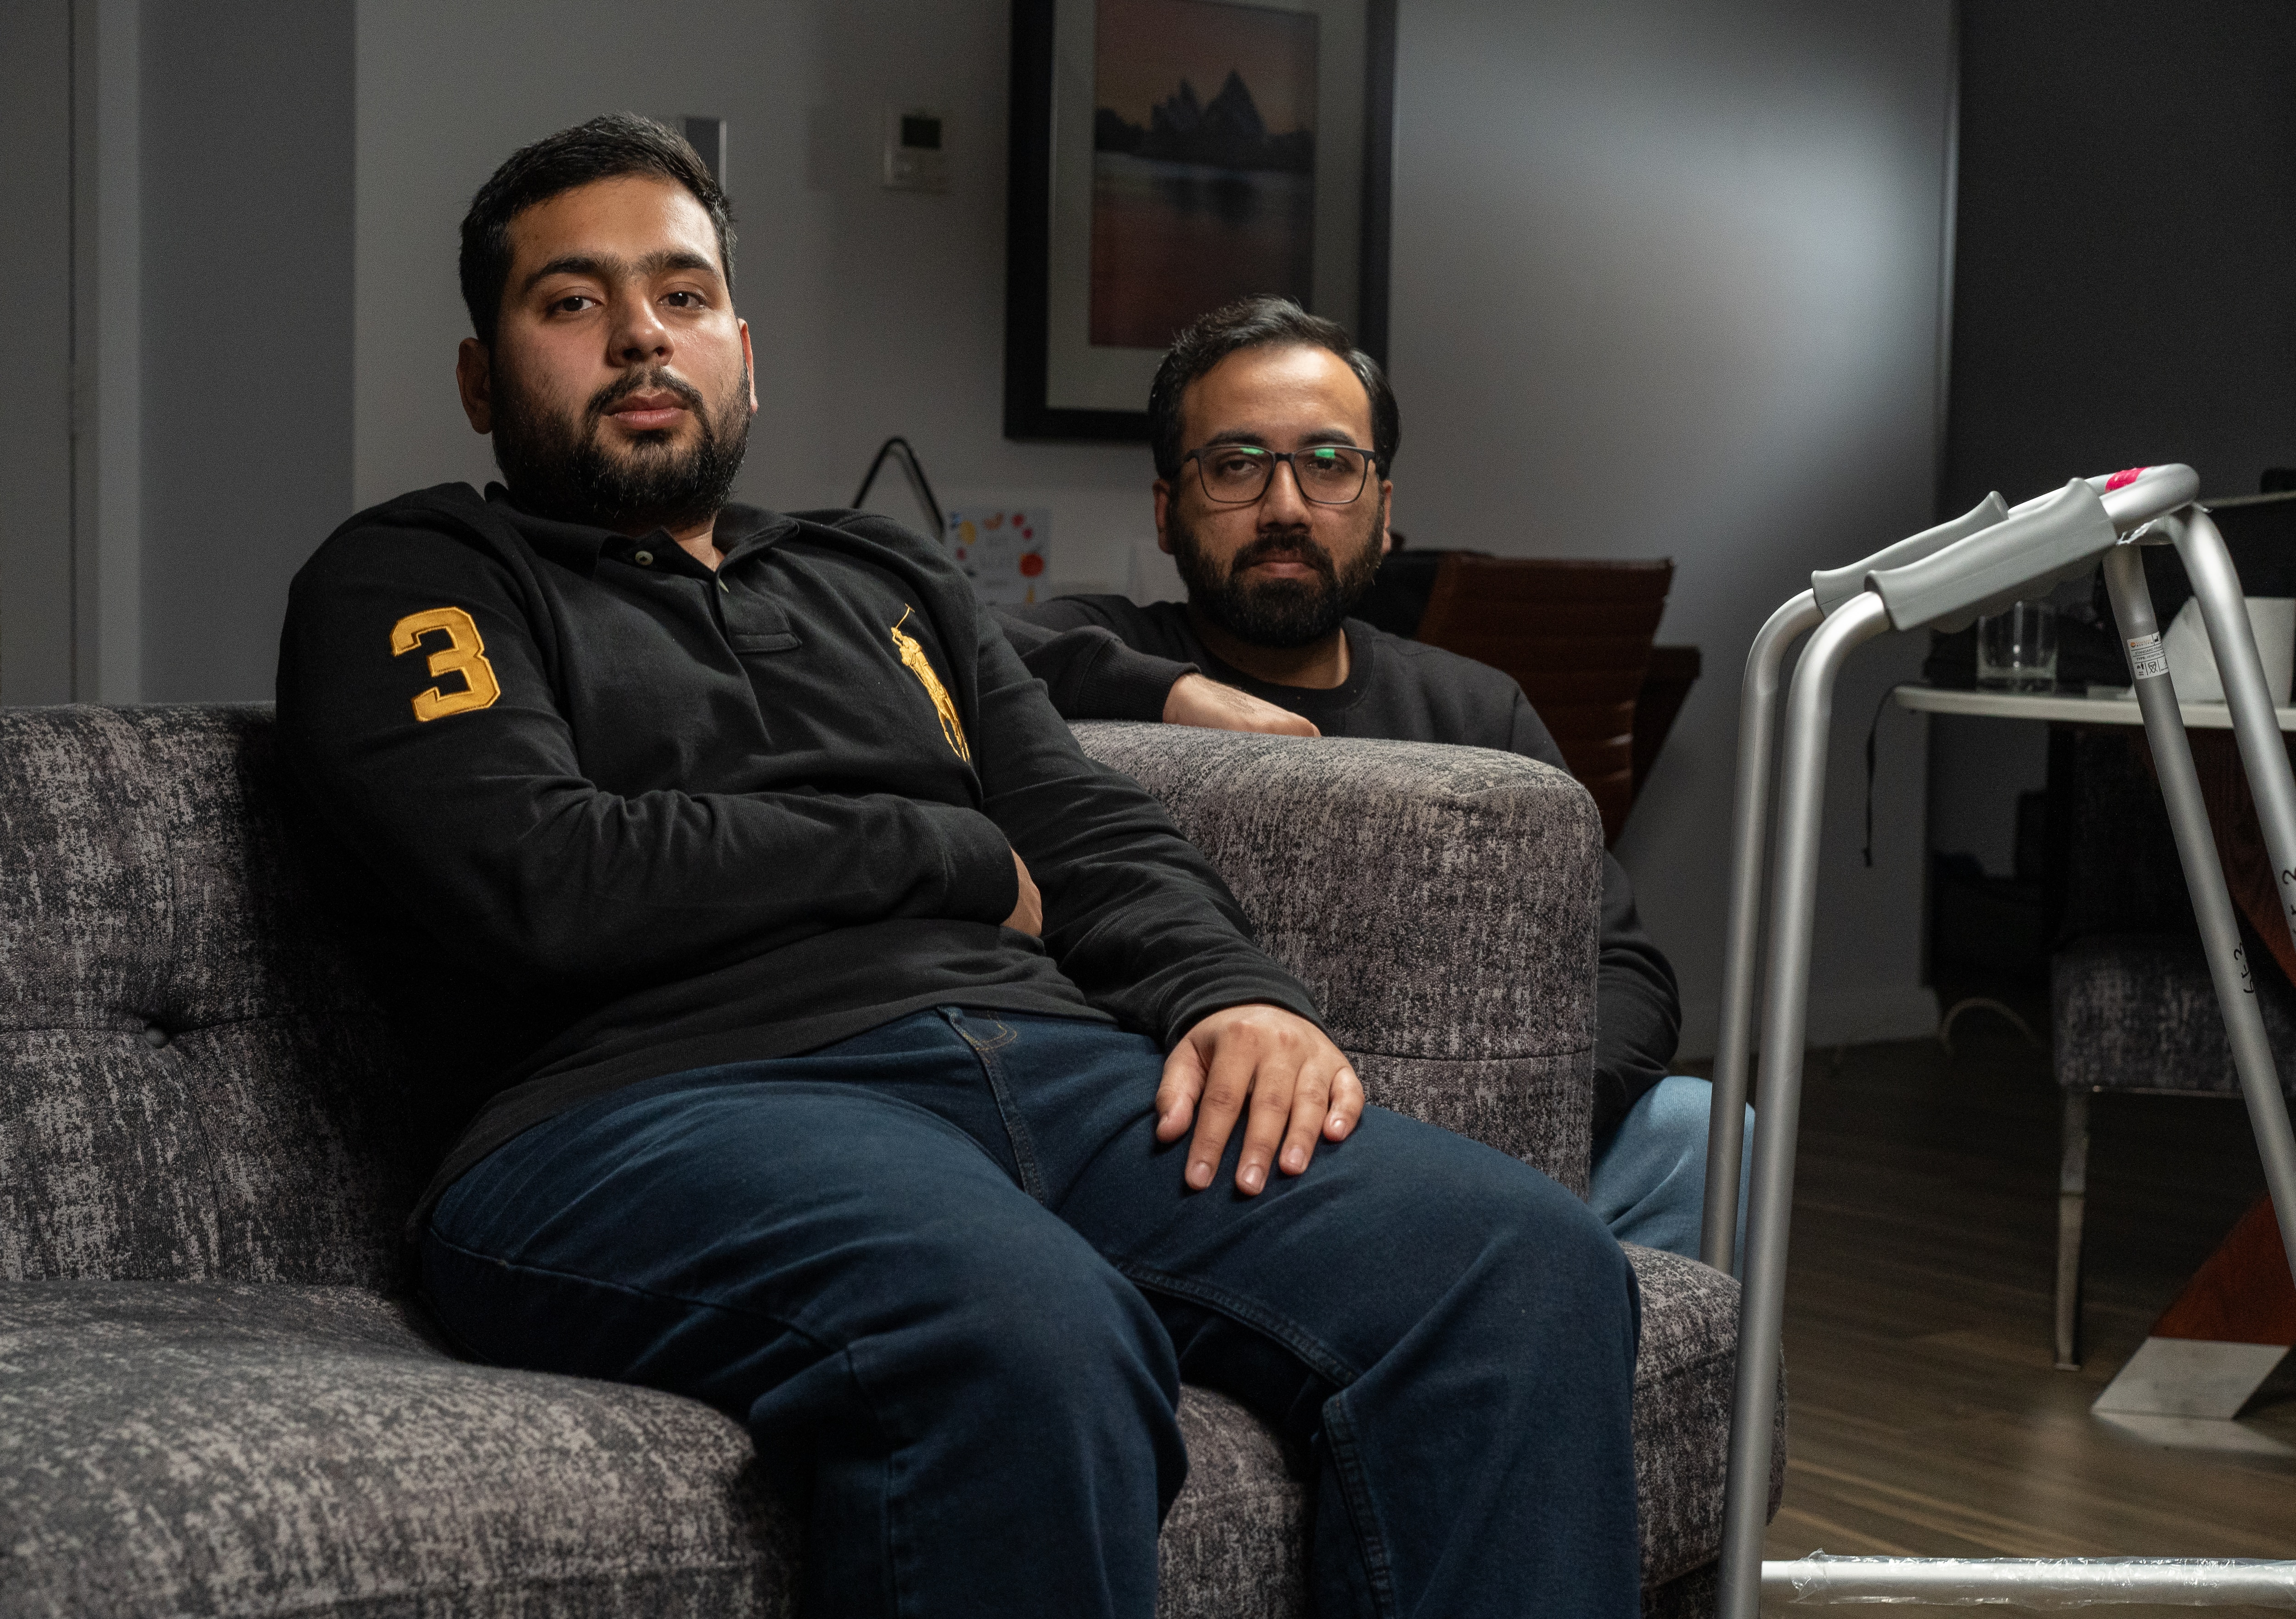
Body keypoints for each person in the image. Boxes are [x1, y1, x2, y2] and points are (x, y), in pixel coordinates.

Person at [274, 115, 1640, 1619]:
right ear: (483, 376)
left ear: (744, 345)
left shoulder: (882, 575)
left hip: (1044, 1066)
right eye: (571, 302)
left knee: (1522, 1266)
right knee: (1027, 1327)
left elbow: (1085, 829)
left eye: (680, 294)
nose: (639, 338)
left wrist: (1236, 993)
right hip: (647, 1108)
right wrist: (946, 853)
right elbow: (538, 874)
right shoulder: (418, 575)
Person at [996, 296, 1749, 1264]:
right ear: (1166, 508)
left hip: (1469, 1127)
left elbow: (1623, 969)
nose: (1284, 507)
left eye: (1328, 465)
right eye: (1234, 465)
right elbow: (926, 631)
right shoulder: (1107, 652)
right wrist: (1176, 692)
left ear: (1383, 511)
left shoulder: (1477, 713)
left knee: (1702, 1126)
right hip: (1225, 1147)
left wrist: (1492, 1112)